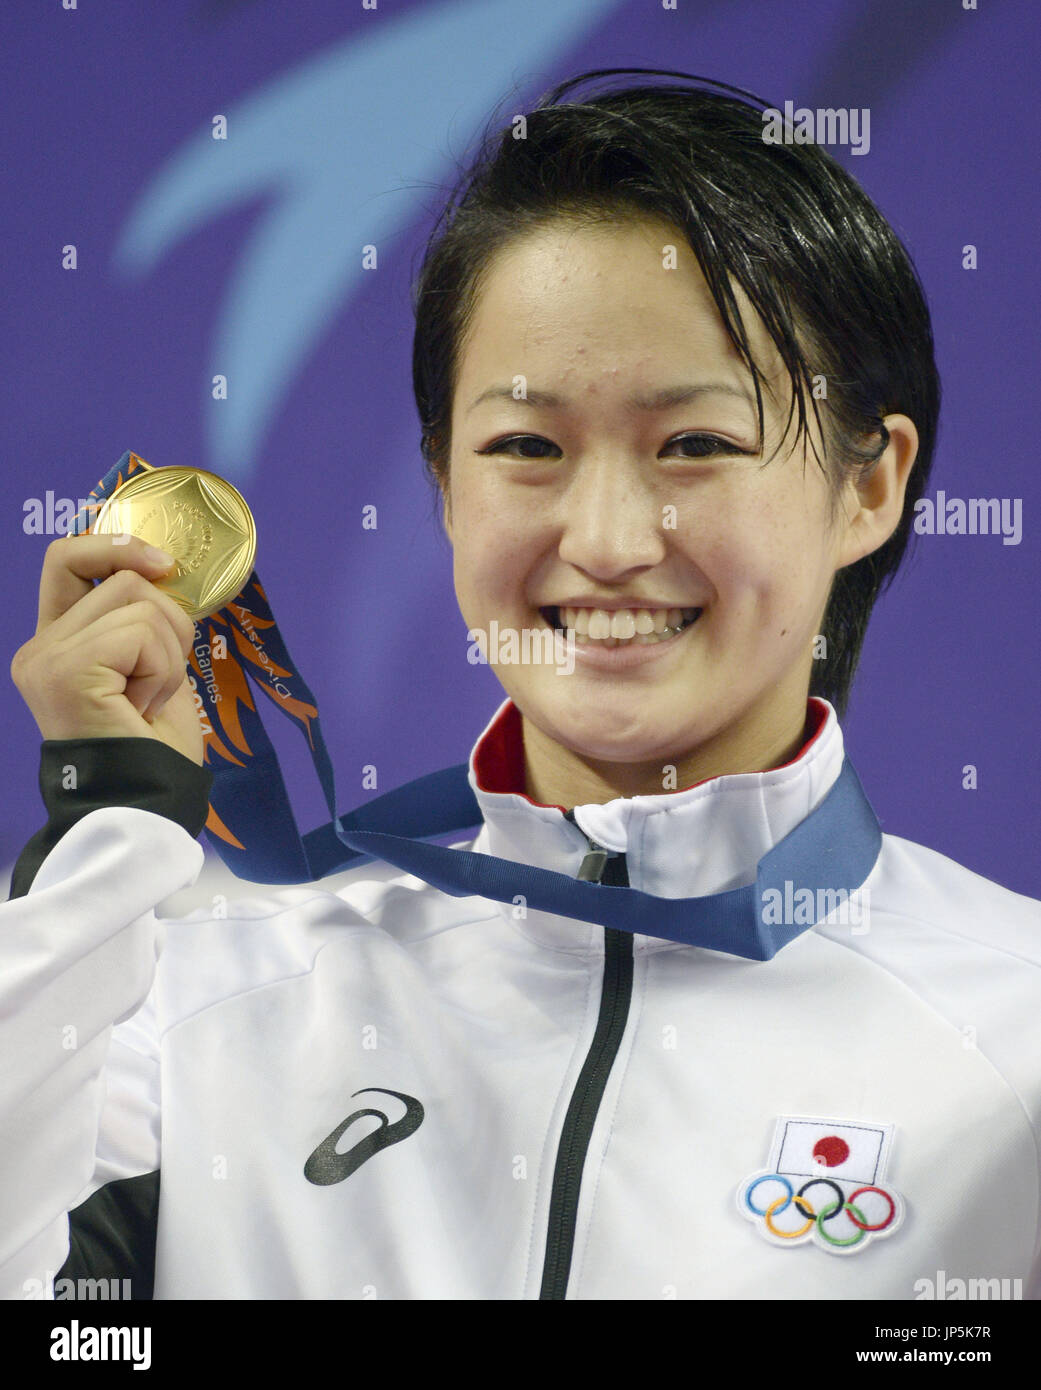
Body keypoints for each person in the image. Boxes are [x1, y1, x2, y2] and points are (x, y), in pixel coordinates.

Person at [3, 68, 1039, 1302]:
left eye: (696, 444)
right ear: (444, 483)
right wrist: (106, 842)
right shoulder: (195, 990)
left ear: (869, 486)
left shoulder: (1015, 1029)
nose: (605, 538)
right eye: (527, 447)